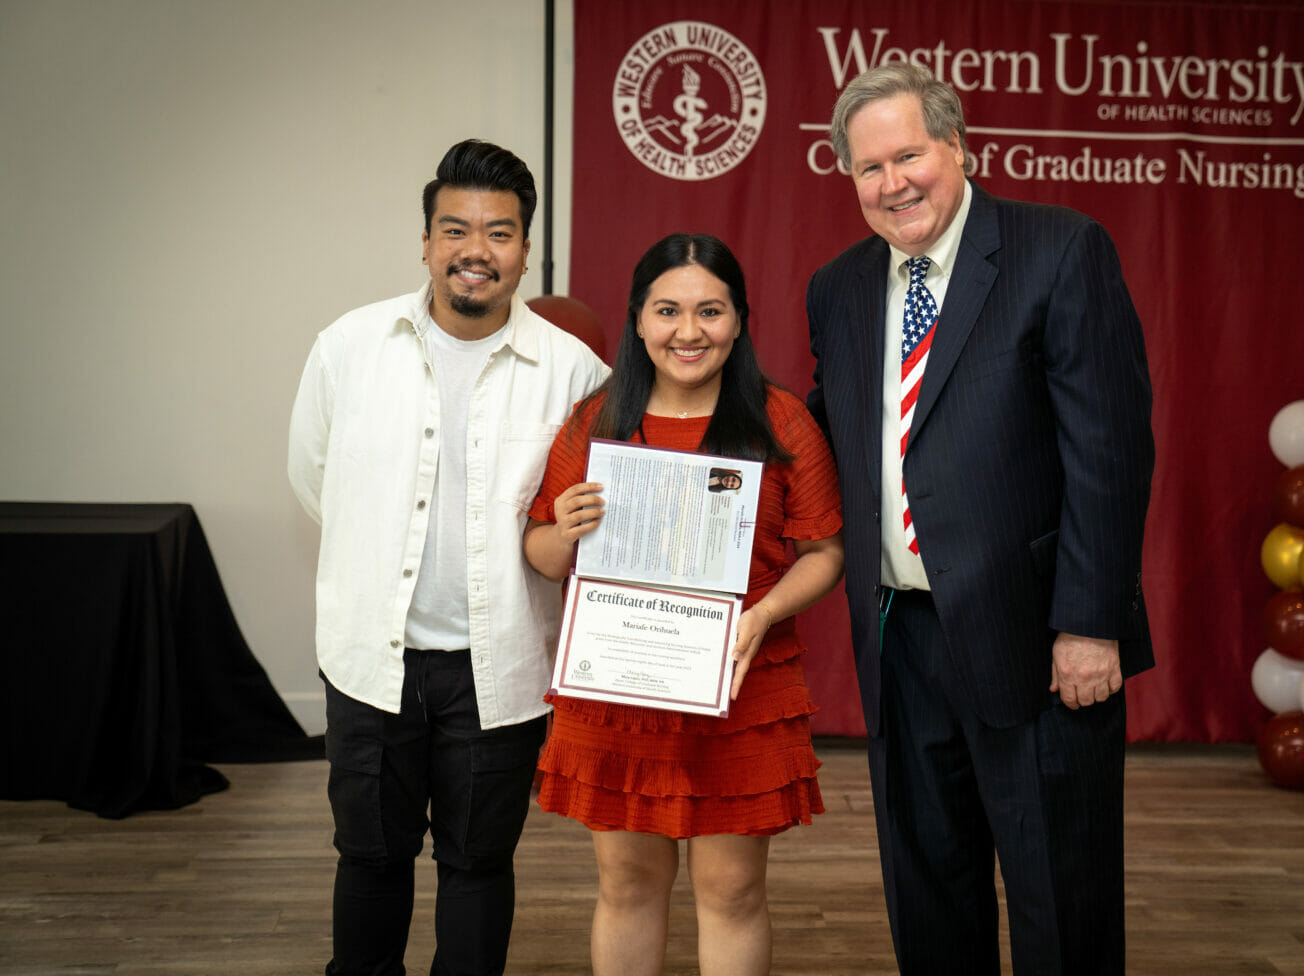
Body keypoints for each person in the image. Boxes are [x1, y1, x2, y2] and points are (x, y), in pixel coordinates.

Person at [805, 63, 1155, 975]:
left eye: (909, 155)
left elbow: (1110, 455)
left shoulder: (1059, 249)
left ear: (958, 147)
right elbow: (819, 440)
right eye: (869, 168)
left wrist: (1089, 624)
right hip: (901, 639)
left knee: (1060, 901)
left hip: (1039, 639)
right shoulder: (839, 288)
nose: (894, 184)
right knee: (929, 895)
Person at [287, 139, 609, 975]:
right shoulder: (350, 347)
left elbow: (586, 517)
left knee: (476, 864)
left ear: (525, 251)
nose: (476, 251)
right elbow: (315, 477)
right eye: (455, 229)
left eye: (499, 233)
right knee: (369, 858)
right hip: (371, 662)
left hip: (496, 669)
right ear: (426, 241)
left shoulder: (574, 373)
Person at [524, 233, 844, 976]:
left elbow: (825, 554)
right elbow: (541, 555)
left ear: (740, 320)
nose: (689, 332)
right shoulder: (595, 422)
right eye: (668, 311)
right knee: (627, 884)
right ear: (638, 320)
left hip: (740, 687)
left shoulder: (782, 421)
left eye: (711, 311)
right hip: (620, 691)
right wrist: (563, 532)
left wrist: (762, 616)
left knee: (732, 891)